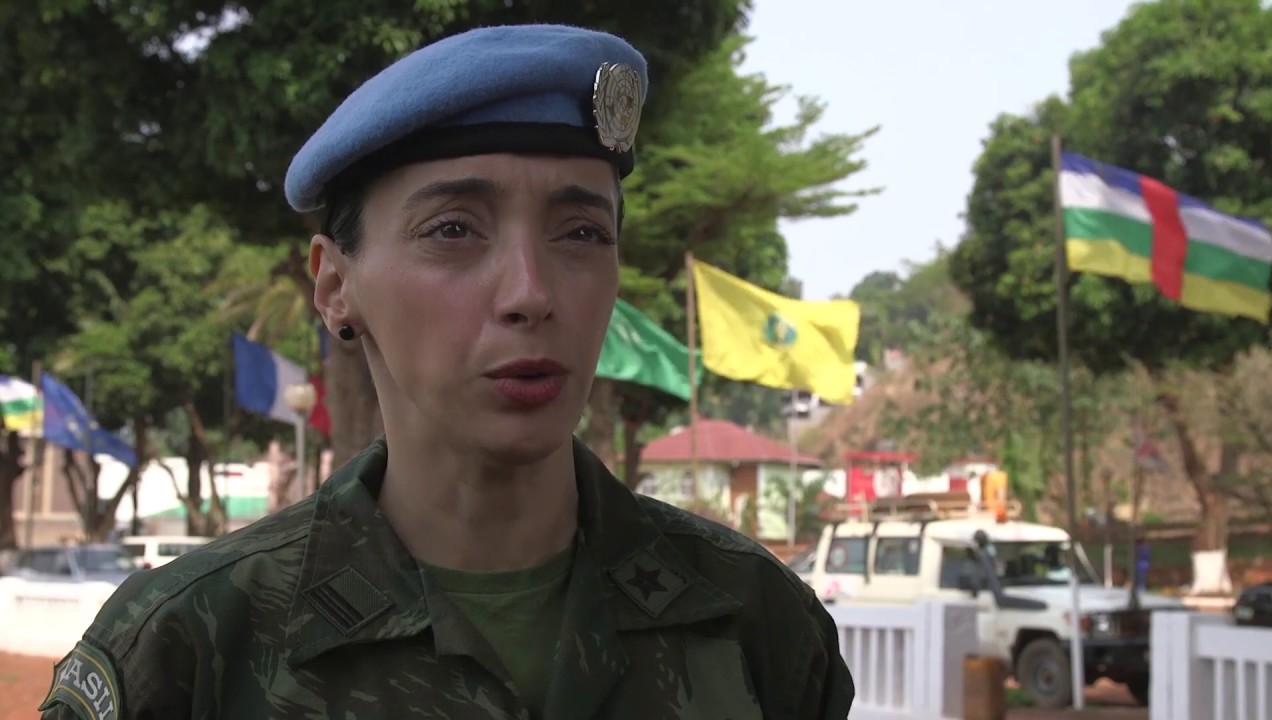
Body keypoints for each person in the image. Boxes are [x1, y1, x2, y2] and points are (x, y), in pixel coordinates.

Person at [39, 23, 855, 720]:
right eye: (455, 229)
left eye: (580, 234)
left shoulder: (756, 625)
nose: (531, 294)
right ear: (334, 285)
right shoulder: (192, 646)